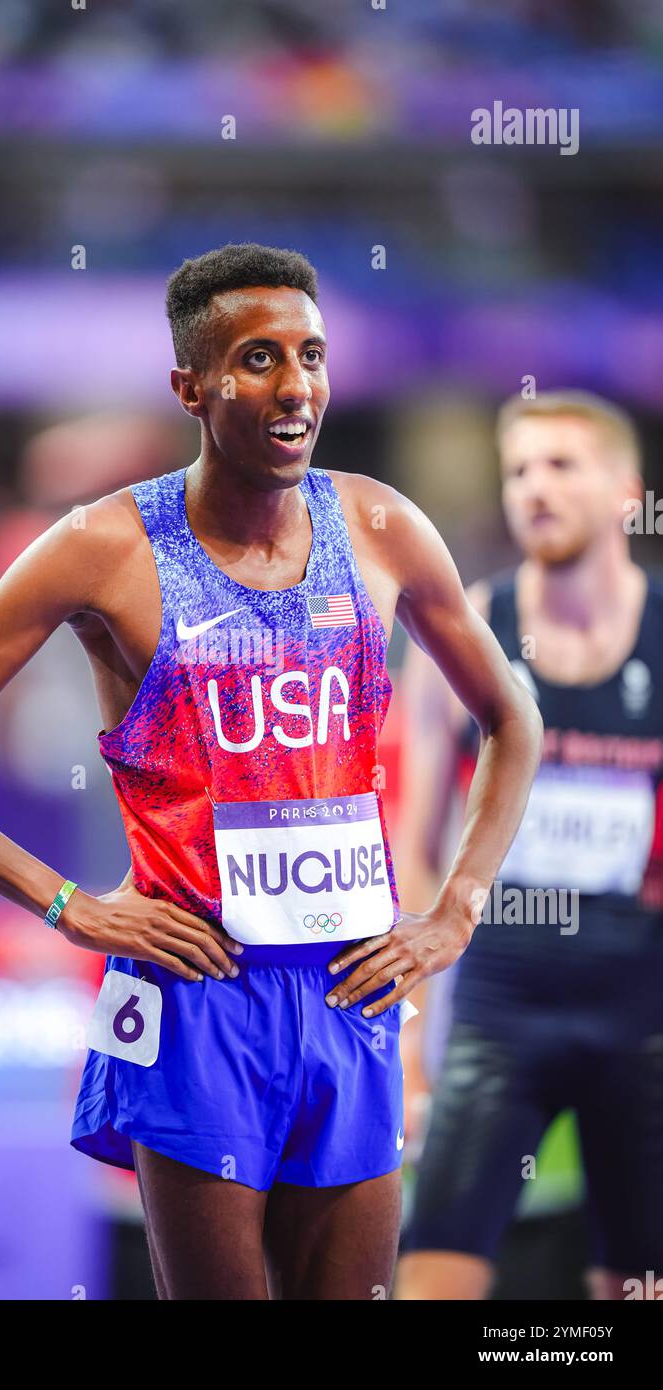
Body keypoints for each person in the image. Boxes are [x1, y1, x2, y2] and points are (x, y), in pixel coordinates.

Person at [0, 243, 541, 1300]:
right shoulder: (102, 546)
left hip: (352, 989)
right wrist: (69, 905)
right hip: (195, 996)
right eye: (258, 358)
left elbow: (510, 717)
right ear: (191, 385)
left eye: (310, 354)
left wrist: (454, 909)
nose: (295, 383)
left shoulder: (382, 525)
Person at [394, 389, 663, 1302]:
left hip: (645, 1020)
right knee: (431, 1275)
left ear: (627, 492)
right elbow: (414, 850)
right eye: (517, 470)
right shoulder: (460, 630)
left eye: (561, 466)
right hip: (499, 1015)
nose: (534, 489)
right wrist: (414, 1038)